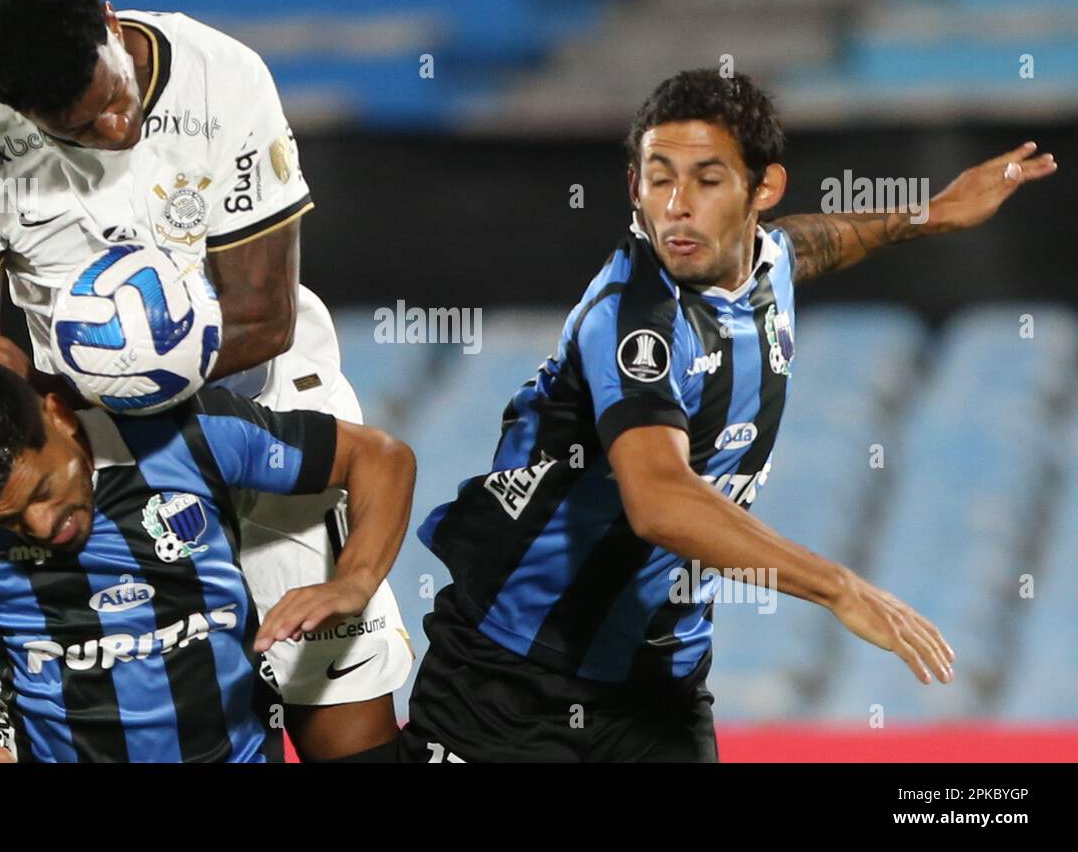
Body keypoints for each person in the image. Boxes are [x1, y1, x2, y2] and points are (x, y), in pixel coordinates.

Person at [397, 69, 1058, 762]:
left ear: (761, 190)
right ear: (635, 187)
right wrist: (838, 587)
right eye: (659, 179)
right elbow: (657, 501)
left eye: (707, 180)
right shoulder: (634, 319)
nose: (677, 206)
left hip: (660, 687)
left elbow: (815, 240)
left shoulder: (765, 260)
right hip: (512, 681)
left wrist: (932, 214)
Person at [0, 0, 413, 760]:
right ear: (14, 110)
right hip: (93, 458)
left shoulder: (225, 79)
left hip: (265, 414)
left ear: (111, 24)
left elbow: (263, 317)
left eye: (111, 98)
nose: (114, 129)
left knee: (345, 727)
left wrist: (89, 381)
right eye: (79, 128)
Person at [0, 359, 415, 763]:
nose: (44, 526)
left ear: (60, 418)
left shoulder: (182, 438)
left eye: (43, 491)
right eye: (8, 521)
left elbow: (381, 458)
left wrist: (356, 579)